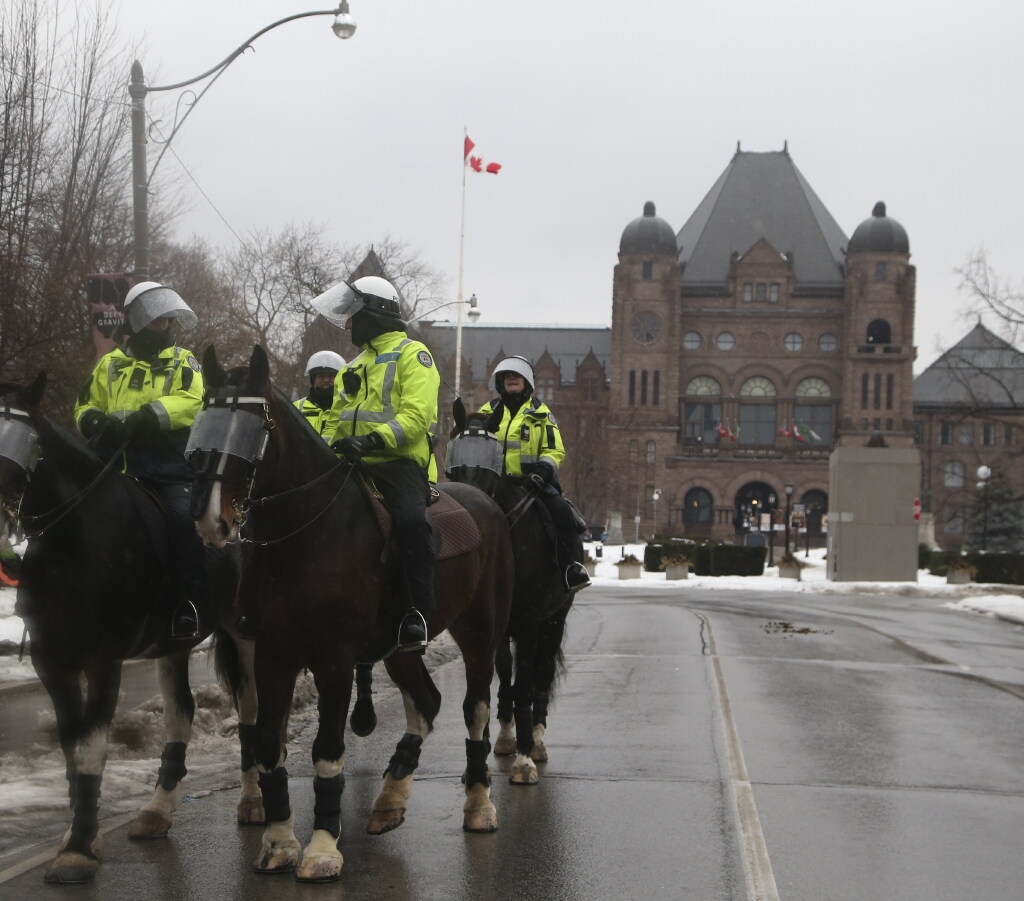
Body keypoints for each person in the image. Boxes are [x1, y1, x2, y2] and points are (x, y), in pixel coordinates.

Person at [312, 276, 440, 653]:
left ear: (373, 312)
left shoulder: (413, 355)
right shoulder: (352, 366)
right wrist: (325, 453)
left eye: (352, 315)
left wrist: (371, 440)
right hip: (350, 464)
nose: (348, 324)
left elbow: (417, 416)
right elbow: (335, 421)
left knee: (413, 523)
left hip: (397, 465)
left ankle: (418, 612)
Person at [74, 281, 207, 641]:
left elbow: (194, 400)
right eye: (156, 321)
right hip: (113, 462)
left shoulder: (183, 361)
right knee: (66, 509)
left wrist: (151, 415)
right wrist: (94, 421)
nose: (164, 327)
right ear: (135, 321)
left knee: (184, 521)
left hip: (166, 465)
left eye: (167, 321)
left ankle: (186, 603)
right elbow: (85, 403)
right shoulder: (109, 364)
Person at [480, 356, 591, 592]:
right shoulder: (487, 411)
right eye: (507, 375)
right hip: (491, 485)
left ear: (527, 381)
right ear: (500, 382)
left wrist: (542, 471)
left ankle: (570, 568)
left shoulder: (541, 412)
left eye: (517, 375)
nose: (512, 378)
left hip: (532, 484)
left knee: (562, 511)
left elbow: (554, 449)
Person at [294, 350, 345, 439]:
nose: (326, 380)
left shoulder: (347, 407)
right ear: (313, 380)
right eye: (321, 376)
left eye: (330, 376)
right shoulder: (298, 408)